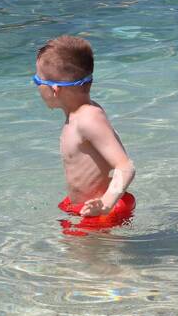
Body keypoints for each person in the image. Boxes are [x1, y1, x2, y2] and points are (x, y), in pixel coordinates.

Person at [34, 36, 136, 231]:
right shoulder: (76, 115)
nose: (36, 86)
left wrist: (106, 203)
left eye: (37, 80)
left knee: (93, 261)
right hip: (87, 207)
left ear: (55, 90)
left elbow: (126, 167)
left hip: (101, 210)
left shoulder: (88, 118)